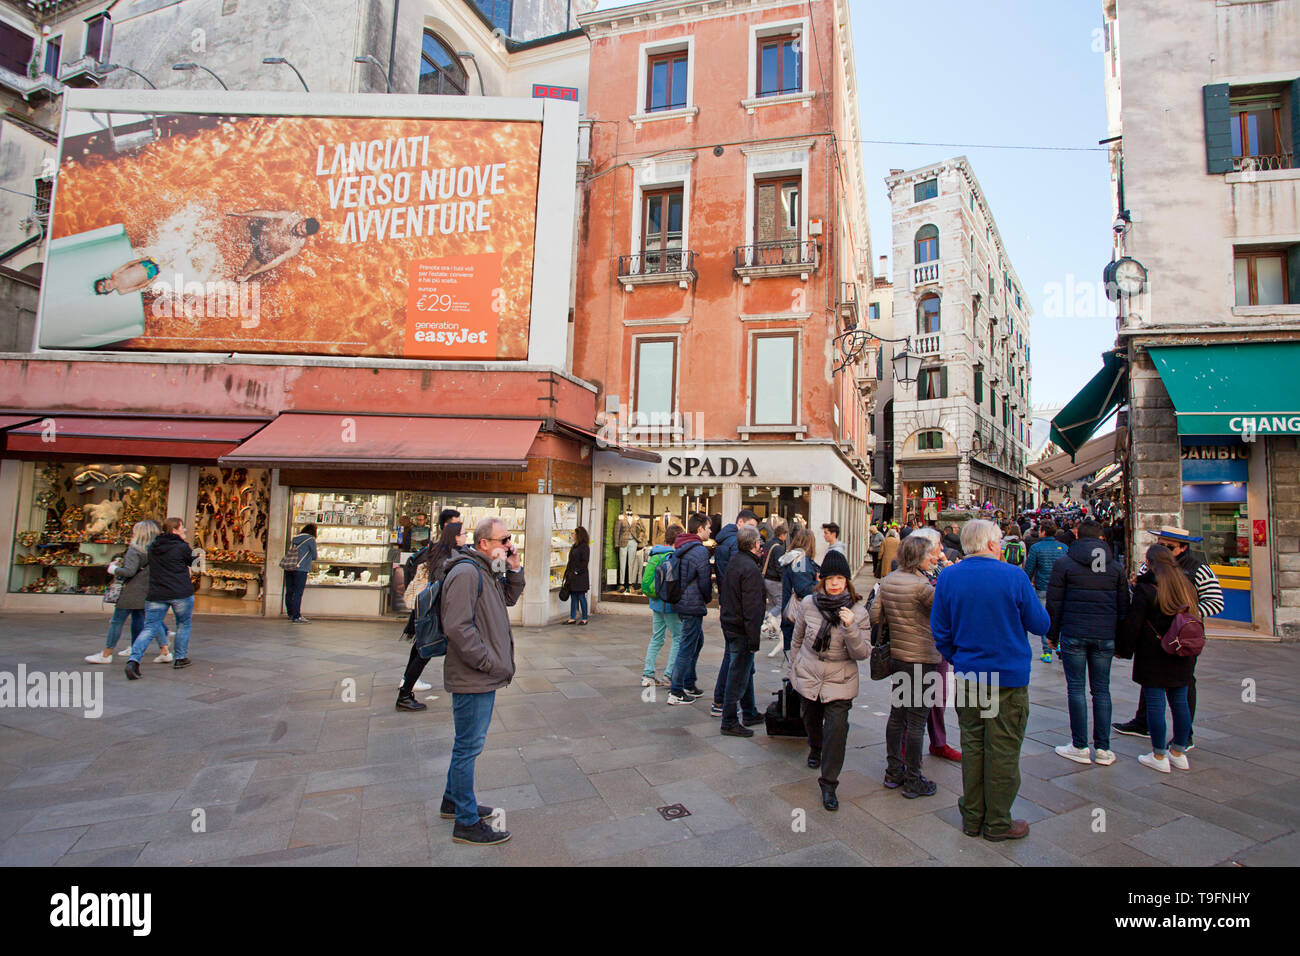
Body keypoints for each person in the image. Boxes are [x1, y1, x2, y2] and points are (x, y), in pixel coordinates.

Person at [931, 519, 1050, 841]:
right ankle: (997, 821)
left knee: (973, 746)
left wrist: (959, 658)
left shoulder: (949, 576)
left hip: (970, 675)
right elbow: (1041, 624)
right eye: (998, 540)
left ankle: (972, 817)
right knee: (1004, 749)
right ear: (992, 544)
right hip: (1007, 678)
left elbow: (940, 630)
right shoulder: (1014, 576)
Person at [439, 516, 524, 845]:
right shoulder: (465, 573)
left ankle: (453, 800)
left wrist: (514, 567)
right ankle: (466, 821)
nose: (508, 544)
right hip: (473, 676)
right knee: (468, 747)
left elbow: (508, 599)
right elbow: (457, 627)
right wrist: (487, 663)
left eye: (509, 539)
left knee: (466, 744)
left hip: (480, 674)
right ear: (484, 543)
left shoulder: (486, 569)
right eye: (503, 540)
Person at [1113, 527, 1222, 745]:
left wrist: (1183, 618)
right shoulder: (1149, 568)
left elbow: (1215, 601)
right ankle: (1143, 723)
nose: (1163, 549)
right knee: (1152, 685)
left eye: (1169, 546)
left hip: (1182, 639)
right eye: (1161, 545)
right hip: (1154, 640)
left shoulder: (1198, 569)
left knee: (1183, 686)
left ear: (1182, 548)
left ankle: (1183, 738)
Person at [789, 549, 869, 811]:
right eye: (830, 578)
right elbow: (798, 638)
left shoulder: (858, 611)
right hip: (809, 672)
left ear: (847, 581)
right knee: (810, 719)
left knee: (836, 730)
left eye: (840, 579)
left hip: (840, 679)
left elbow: (861, 653)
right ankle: (814, 745)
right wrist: (794, 668)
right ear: (821, 580)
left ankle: (829, 783)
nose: (835, 584)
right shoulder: (809, 603)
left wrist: (851, 628)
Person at [1045, 520, 1129, 766]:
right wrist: (1121, 639)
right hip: (1105, 636)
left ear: (1078, 536)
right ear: (1102, 539)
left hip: (1074, 633)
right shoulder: (1115, 568)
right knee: (1102, 690)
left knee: (1076, 689)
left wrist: (1052, 634)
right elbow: (1124, 606)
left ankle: (1080, 745)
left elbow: (1054, 603)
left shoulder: (1065, 564)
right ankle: (1103, 748)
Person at [1118, 545, 1198, 774]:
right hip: (1181, 651)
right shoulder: (1186, 585)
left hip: (1154, 653)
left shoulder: (1147, 588)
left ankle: (1159, 754)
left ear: (1151, 562)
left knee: (1155, 703)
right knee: (1180, 701)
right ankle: (1179, 752)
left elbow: (1134, 623)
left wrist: (1124, 649)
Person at [872, 536, 942, 798]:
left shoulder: (888, 581)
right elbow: (941, 612)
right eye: (928, 555)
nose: (931, 558)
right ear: (917, 557)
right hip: (922, 657)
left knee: (897, 714)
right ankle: (913, 778)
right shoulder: (922, 586)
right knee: (917, 719)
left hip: (898, 655)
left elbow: (875, 615)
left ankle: (893, 771)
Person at [395, 522, 467, 712]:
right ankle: (404, 695)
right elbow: (442, 584)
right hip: (434, 612)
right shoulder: (447, 557)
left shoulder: (439, 552)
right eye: (463, 534)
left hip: (427, 610)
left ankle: (405, 689)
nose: (466, 536)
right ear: (455, 537)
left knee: (420, 649)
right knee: (423, 652)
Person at [907, 528, 962, 763]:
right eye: (937, 546)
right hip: (914, 643)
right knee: (909, 699)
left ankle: (938, 741)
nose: (942, 549)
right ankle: (905, 751)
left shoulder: (941, 568)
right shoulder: (909, 572)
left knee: (938, 695)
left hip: (937, 641)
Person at [86, 519, 170, 664]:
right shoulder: (159, 550)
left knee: (117, 621)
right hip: (149, 589)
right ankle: (165, 651)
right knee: (152, 622)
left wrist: (114, 569)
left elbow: (129, 571)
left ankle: (106, 654)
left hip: (131, 591)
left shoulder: (135, 550)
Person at [124, 517, 197, 679]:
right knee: (183, 625)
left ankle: (133, 660)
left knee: (150, 627)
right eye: (182, 528)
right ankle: (180, 658)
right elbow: (194, 563)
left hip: (157, 593)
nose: (184, 530)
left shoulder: (153, 546)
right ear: (175, 530)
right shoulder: (182, 547)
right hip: (180, 593)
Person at [718, 526, 767, 736]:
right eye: (760, 543)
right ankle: (729, 720)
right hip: (741, 628)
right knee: (738, 672)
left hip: (731, 623)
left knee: (745, 669)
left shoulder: (736, 561)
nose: (762, 547)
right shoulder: (750, 568)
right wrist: (753, 638)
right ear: (755, 544)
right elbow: (752, 608)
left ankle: (749, 711)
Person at [711, 510, 760, 716]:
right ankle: (724, 708)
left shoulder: (728, 549)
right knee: (736, 663)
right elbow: (750, 603)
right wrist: (753, 635)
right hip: (738, 620)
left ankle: (748, 710)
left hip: (730, 613)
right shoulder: (742, 561)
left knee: (742, 663)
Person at [667, 514, 714, 706]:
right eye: (709, 528)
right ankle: (677, 690)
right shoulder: (699, 551)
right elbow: (704, 580)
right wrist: (708, 598)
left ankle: (688, 682)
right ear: (700, 529)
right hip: (692, 603)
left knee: (697, 640)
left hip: (681, 600)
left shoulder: (682, 545)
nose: (711, 531)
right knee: (687, 645)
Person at [642, 523, 684, 688]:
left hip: (656, 604)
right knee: (678, 638)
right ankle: (669, 675)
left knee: (657, 638)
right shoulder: (673, 557)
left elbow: (647, 581)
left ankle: (648, 674)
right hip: (670, 605)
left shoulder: (655, 555)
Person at [228, 209, 320, 280]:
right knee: (230, 239)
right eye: (300, 226)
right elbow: (267, 213)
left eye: (301, 232)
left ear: (305, 235)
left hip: (263, 252)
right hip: (257, 232)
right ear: (303, 221)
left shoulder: (297, 245)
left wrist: (253, 273)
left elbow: (278, 261)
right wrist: (241, 214)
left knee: (241, 277)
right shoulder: (290, 216)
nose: (297, 229)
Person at [1024, 520, 1069, 663]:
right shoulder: (1064, 547)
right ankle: (1060, 644)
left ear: (1043, 532)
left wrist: (1026, 583)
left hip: (1043, 586)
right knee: (1061, 617)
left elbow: (1030, 568)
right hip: (1061, 588)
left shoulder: (1036, 548)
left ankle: (1047, 651)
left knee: (1045, 618)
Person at [777, 528, 820, 654]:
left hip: (793, 617)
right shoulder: (800, 561)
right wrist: (819, 583)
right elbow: (803, 589)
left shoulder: (792, 558)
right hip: (798, 618)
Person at [285, 523, 317, 623]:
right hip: (301, 568)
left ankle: (290, 613)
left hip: (290, 567)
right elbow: (314, 556)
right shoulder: (311, 539)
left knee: (290, 591)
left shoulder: (295, 538)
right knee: (298, 593)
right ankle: (297, 616)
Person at [562, 526, 591, 625]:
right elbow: (570, 560)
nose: (573, 535)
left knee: (581, 597)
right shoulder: (574, 546)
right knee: (573, 596)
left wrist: (577, 571)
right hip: (573, 576)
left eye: (575, 534)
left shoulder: (584, 547)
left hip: (580, 576)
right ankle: (572, 617)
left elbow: (585, 562)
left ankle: (584, 618)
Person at [93, 257, 161, 295]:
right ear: (108, 292)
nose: (106, 286)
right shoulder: (122, 291)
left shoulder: (115, 274)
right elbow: (137, 287)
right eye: (104, 289)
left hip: (145, 263)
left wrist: (141, 259)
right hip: (151, 273)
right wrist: (150, 281)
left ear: (106, 279)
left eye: (103, 284)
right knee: (166, 263)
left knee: (162, 255)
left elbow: (128, 264)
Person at [761, 519, 789, 612]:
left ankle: (769, 625)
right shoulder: (778, 548)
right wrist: (784, 580)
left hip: (766, 578)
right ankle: (766, 621)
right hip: (774, 580)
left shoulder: (767, 544)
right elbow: (779, 567)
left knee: (772, 604)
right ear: (782, 535)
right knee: (781, 605)